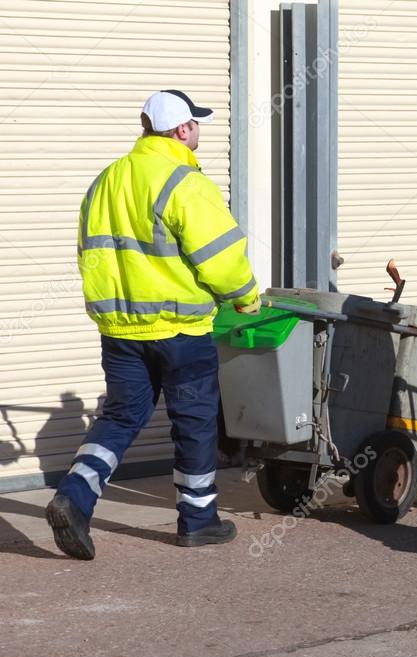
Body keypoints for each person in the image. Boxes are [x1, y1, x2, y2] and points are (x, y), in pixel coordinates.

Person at [45, 90, 261, 560]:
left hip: (121, 332)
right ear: (182, 129)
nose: (199, 131)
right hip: (180, 331)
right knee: (194, 421)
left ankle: (74, 498)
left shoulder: (107, 180)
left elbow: (92, 254)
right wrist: (245, 299)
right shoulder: (184, 181)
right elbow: (221, 258)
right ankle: (199, 521)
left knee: (121, 417)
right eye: (196, 124)